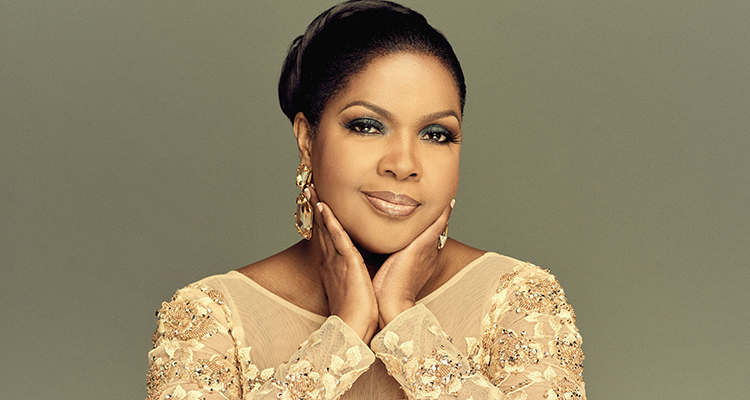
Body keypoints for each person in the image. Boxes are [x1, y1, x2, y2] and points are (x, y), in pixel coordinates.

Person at [146, 1, 585, 399]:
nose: (403, 164)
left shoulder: (519, 299)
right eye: (368, 126)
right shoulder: (211, 315)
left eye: (436, 134)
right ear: (306, 139)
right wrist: (345, 332)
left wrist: (405, 319)